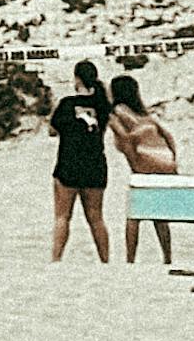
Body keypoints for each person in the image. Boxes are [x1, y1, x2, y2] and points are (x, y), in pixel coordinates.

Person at [106, 69, 178, 269]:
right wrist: (174, 162)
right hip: (165, 159)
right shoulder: (146, 115)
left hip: (147, 161)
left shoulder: (120, 111)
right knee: (159, 214)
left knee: (134, 213)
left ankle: (130, 260)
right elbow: (169, 136)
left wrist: (136, 166)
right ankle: (167, 257)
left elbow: (127, 141)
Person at [48, 58, 113, 265]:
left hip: (68, 164)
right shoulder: (102, 105)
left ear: (77, 79)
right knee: (96, 218)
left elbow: (52, 129)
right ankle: (105, 260)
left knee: (62, 216)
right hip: (94, 165)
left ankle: (56, 259)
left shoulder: (67, 104)